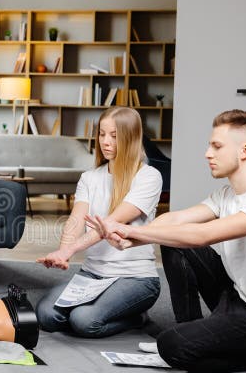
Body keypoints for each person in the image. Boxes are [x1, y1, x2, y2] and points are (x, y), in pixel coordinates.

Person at [86, 109, 246, 373]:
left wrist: (132, 232)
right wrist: (130, 238)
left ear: (244, 150)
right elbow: (175, 220)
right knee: (174, 242)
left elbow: (203, 235)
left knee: (171, 347)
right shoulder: (226, 195)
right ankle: (189, 327)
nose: (207, 153)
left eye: (217, 146)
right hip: (234, 298)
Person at [35, 106, 162, 338]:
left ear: (131, 137)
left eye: (114, 136)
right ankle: (103, 309)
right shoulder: (89, 178)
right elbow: (76, 219)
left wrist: (72, 248)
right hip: (92, 274)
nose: (105, 141)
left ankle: (137, 318)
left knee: (84, 321)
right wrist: (63, 251)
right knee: (46, 315)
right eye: (102, 134)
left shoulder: (149, 177)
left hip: (135, 277)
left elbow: (111, 223)